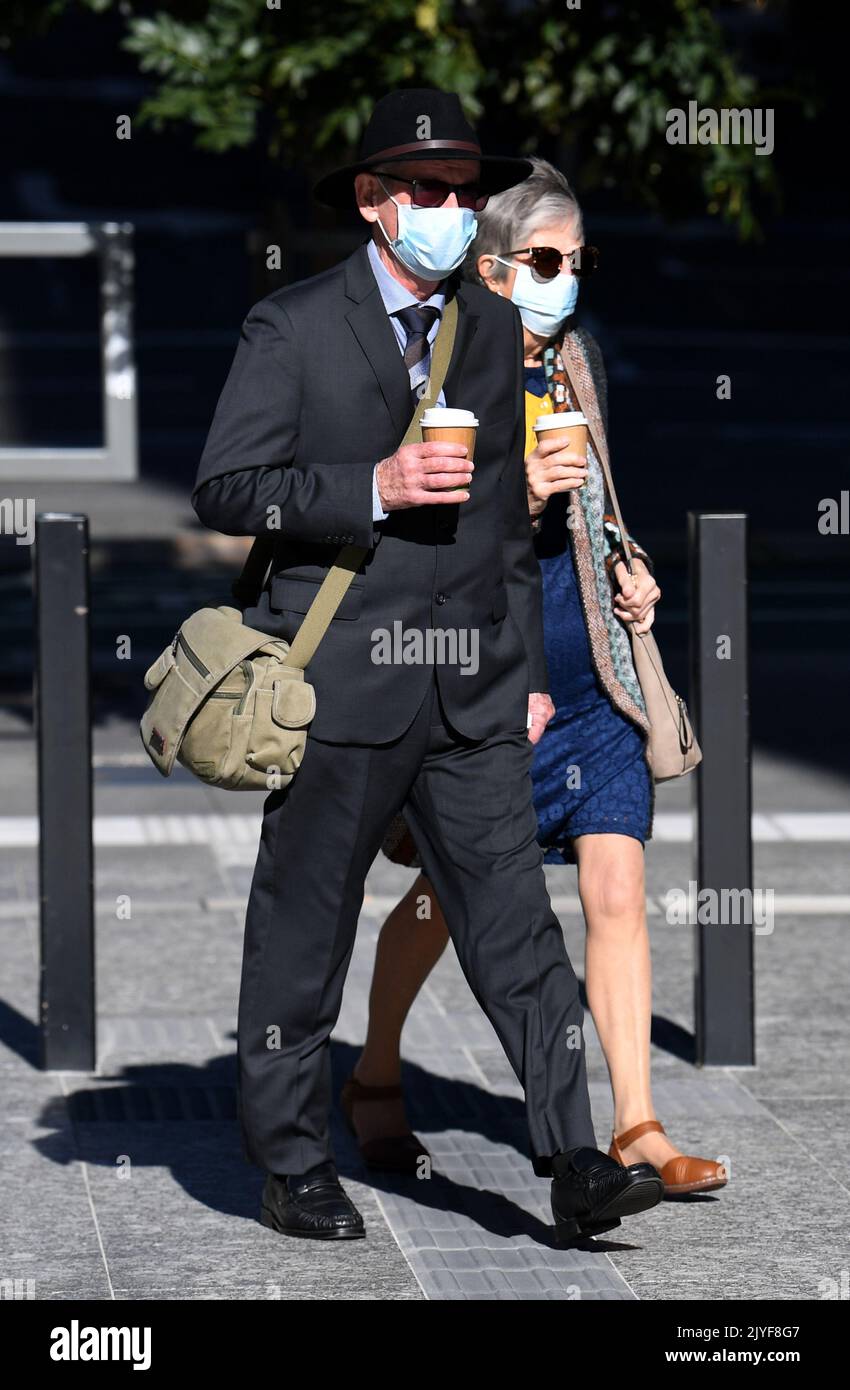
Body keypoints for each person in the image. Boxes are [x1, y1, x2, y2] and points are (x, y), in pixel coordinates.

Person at [191, 90, 665, 1242]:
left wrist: (521, 674)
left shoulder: (494, 333)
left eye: (464, 191)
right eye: (429, 190)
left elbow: (502, 524)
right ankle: (295, 1159)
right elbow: (225, 488)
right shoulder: (292, 327)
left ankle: (573, 1157)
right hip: (340, 686)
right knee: (304, 932)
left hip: (472, 695)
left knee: (517, 926)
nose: (452, 210)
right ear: (373, 202)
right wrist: (369, 488)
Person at [343, 158, 727, 1200]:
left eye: (580, 258)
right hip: (498, 682)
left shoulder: (575, 361)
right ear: (497, 269)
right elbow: (427, 540)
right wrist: (518, 493)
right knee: (445, 899)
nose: (568, 279)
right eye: (548, 261)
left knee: (618, 886)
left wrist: (627, 567)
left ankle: (636, 1122)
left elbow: (598, 498)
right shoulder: (442, 366)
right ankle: (374, 1073)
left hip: (592, 675)